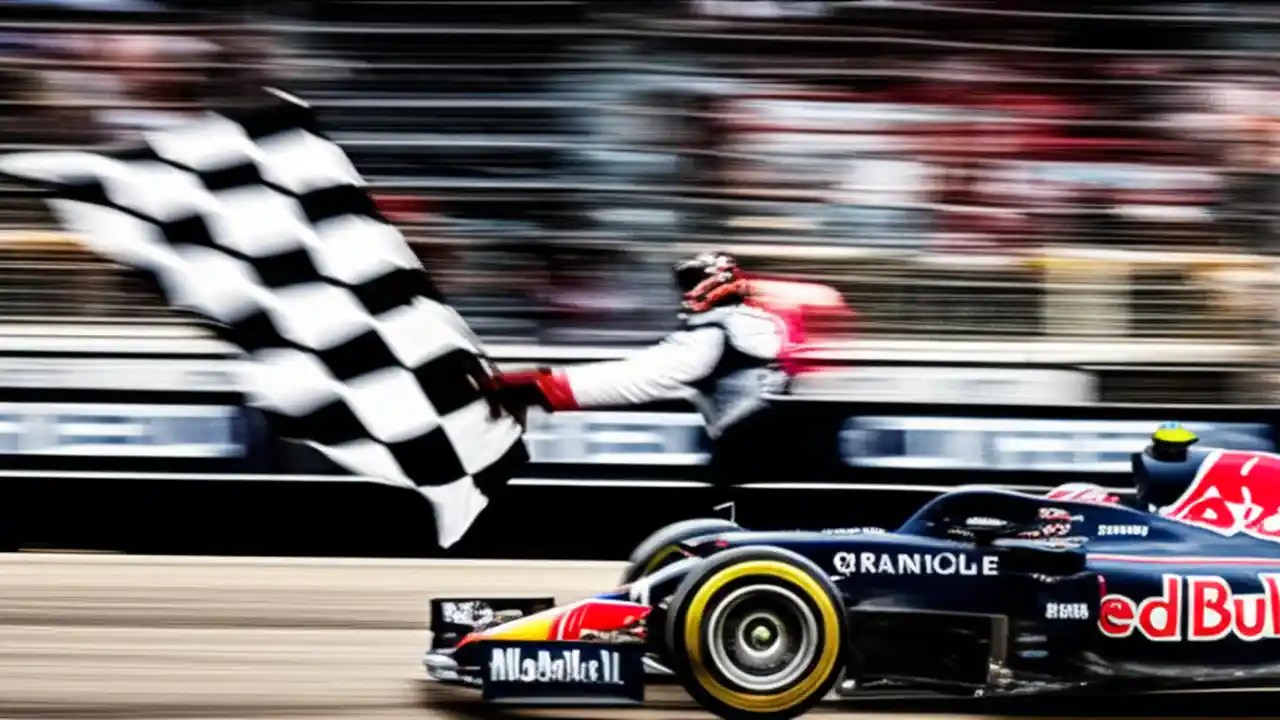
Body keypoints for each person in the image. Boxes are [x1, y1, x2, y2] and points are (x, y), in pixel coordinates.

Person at [489, 251, 796, 447]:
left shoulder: (711, 338)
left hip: (743, 454)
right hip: (781, 443)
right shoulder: (765, 326)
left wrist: (541, 385)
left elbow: (634, 379)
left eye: (686, 285)